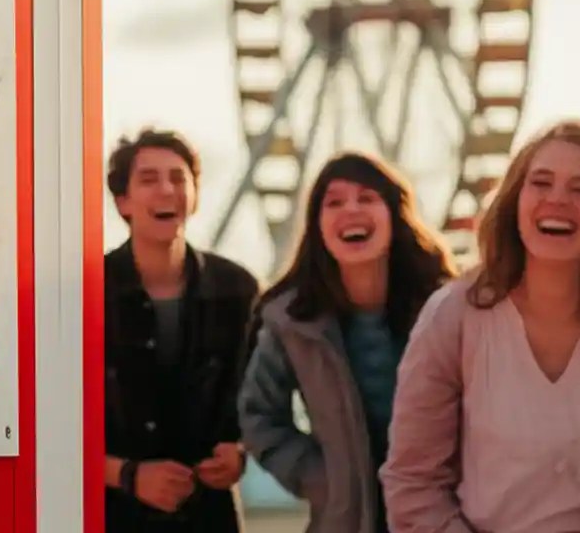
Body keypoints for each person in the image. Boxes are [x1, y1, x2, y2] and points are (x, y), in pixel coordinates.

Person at [381, 118, 580, 532]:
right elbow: (413, 482)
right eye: (541, 183)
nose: (558, 200)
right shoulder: (455, 316)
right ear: (514, 199)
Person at [238, 151, 458, 533]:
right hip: (345, 520)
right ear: (317, 226)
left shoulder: (448, 310)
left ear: (394, 215)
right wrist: (324, 480)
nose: (351, 210)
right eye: (334, 202)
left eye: (367, 198)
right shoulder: (290, 322)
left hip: (443, 515)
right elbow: (259, 415)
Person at [103, 128, 259, 533]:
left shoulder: (238, 290)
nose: (166, 189)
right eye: (149, 179)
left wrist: (241, 453)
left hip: (210, 515)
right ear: (122, 201)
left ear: (195, 195)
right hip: (115, 514)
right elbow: (48, 423)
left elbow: (262, 399)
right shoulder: (86, 293)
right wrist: (127, 475)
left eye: (178, 177)